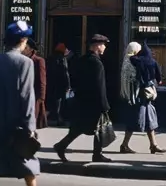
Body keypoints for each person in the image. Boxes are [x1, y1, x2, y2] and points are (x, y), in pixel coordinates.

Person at [0, 21, 54, 186]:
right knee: (26, 156)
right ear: (22, 41)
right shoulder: (25, 62)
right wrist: (30, 125)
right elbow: (27, 95)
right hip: (15, 119)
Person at [54, 34, 112, 163]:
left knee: (79, 128)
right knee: (99, 128)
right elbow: (99, 86)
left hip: (82, 100)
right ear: (97, 46)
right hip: (94, 103)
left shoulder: (82, 60)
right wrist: (104, 105)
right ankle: (96, 154)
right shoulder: (97, 63)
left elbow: (74, 78)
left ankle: (61, 146)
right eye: (103, 44)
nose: (105, 47)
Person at [119, 42, 166, 154]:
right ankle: (124, 145)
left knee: (149, 120)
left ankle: (153, 145)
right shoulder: (131, 61)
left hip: (141, 96)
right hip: (137, 96)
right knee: (135, 120)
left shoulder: (130, 60)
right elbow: (136, 78)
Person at [24, 39, 48, 129]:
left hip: (34, 94)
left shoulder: (38, 60)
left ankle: (31, 135)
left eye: (26, 48)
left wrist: (42, 96)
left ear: (31, 49)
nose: (23, 50)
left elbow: (42, 79)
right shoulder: (21, 59)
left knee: (32, 117)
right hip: (23, 93)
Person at [46, 43, 71, 125]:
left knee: (51, 100)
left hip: (50, 82)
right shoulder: (63, 59)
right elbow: (65, 72)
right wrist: (68, 85)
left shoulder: (49, 58)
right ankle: (59, 118)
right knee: (59, 102)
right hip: (60, 83)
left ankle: (48, 116)